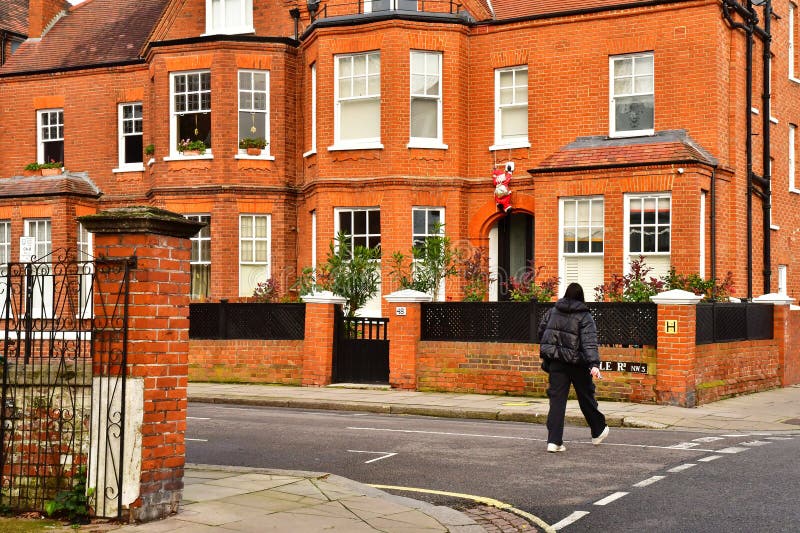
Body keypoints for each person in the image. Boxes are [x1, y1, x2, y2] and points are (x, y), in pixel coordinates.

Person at [538, 282, 609, 453]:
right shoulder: (584, 316)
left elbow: (542, 332)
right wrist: (594, 364)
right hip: (578, 364)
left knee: (556, 402)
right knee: (586, 397)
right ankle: (598, 430)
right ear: (581, 296)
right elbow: (589, 342)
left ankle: (554, 441)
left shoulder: (553, 311)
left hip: (556, 363)